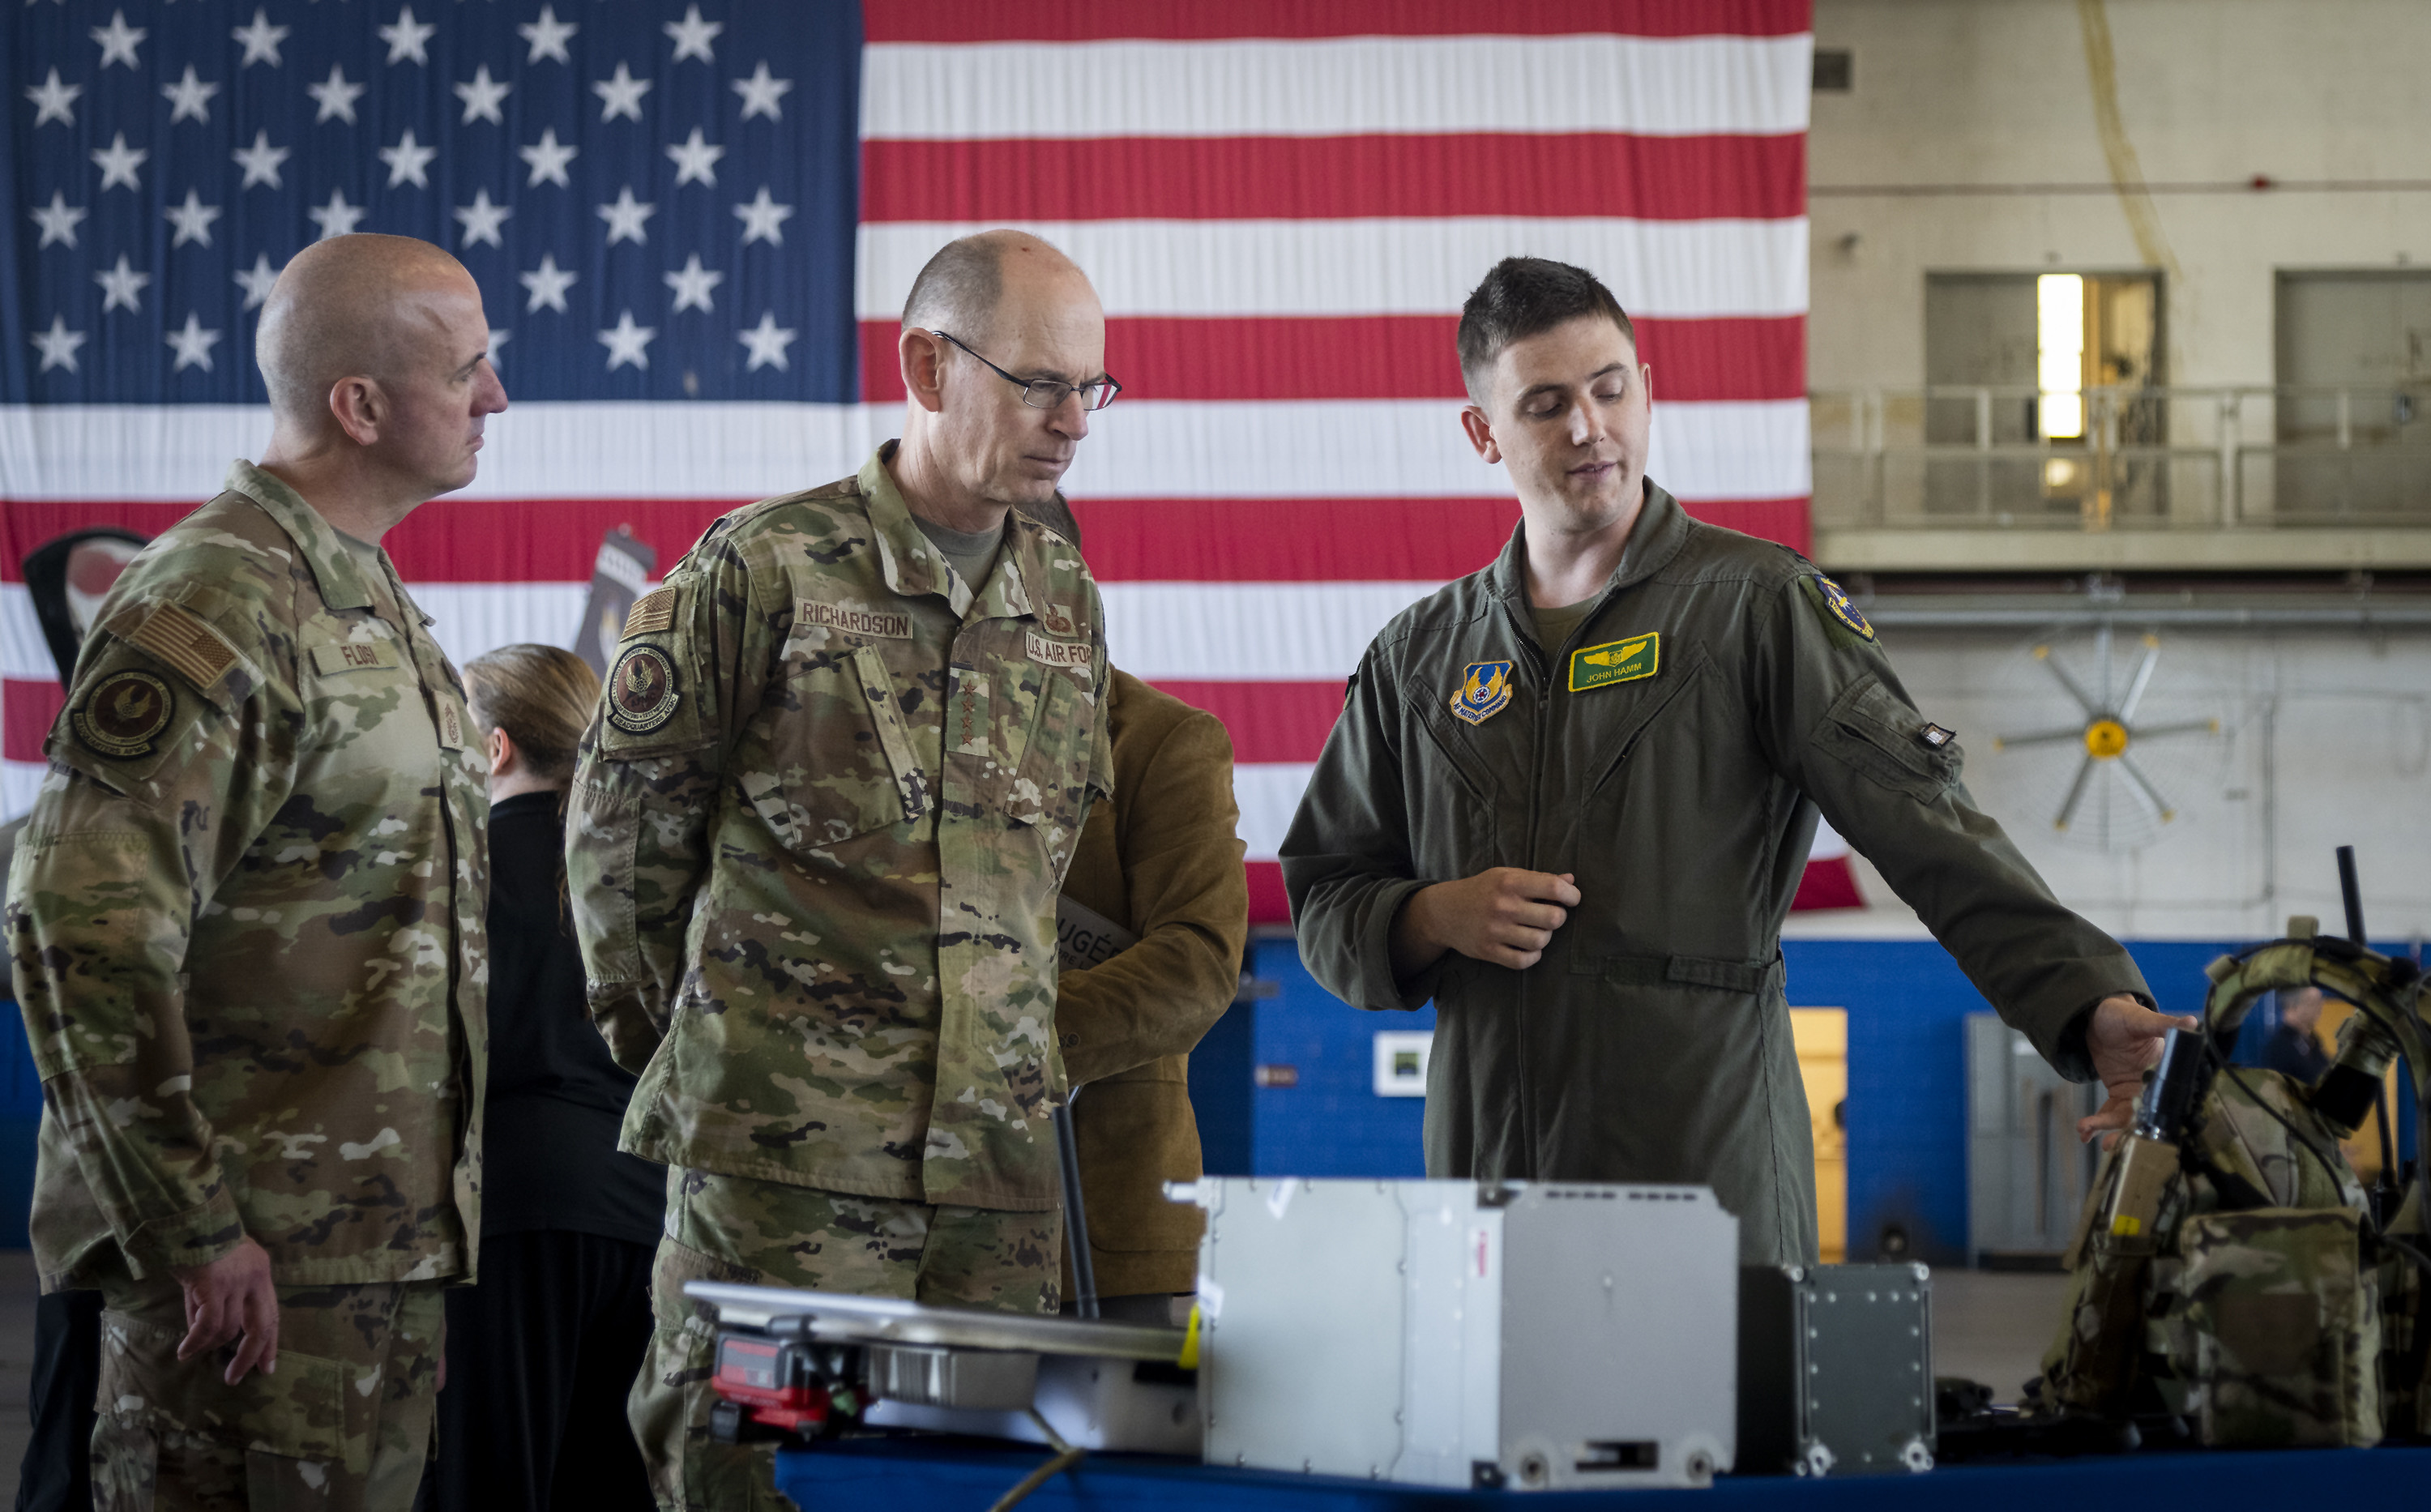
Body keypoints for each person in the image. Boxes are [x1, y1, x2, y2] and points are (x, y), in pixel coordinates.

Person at [1279, 257, 2192, 1266]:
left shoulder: (1758, 609)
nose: (1589, 426)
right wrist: (1429, 915)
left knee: (1720, 1423)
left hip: (1705, 1174)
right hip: (1485, 1189)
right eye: (1546, 404)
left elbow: (1928, 828)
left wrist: (2084, 998)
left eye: (1609, 388)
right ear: (1484, 433)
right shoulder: (1422, 657)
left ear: (1648, 391)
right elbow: (1325, 894)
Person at [568, 229, 1117, 1509]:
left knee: (969, 1490)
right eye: (1040, 381)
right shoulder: (766, 568)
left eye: (1092, 387)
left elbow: (1038, 875)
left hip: (995, 1183)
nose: (1073, 419)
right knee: (764, 1484)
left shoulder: (1066, 596)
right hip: (790, 1179)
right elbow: (622, 838)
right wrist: (709, 1052)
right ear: (927, 364)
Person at [5, 233, 505, 1507]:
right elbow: (80, 929)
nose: (495, 398)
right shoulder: (217, 600)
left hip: (364, 1270)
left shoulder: (368, 596)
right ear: (360, 403)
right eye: (471, 369)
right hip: (245, 1280)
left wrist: (410, 1267)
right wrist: (196, 1230)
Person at [434, 646, 657, 1512]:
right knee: (617, 1485)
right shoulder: (650, 867)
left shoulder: (452, 867)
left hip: (509, 1214)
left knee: (491, 1483)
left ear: (493, 749)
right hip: (649, 1209)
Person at [1018, 498, 1248, 1322]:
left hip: (1105, 1240)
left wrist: (996, 1041)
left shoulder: (1159, 742)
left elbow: (1198, 965)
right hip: (900, 1230)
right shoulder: (879, 743)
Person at [2258, 986, 2333, 1083]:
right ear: (2292, 1006)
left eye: (2320, 1001)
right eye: (2312, 1002)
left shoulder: (2312, 1041)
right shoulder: (2280, 1047)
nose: (2320, 1007)